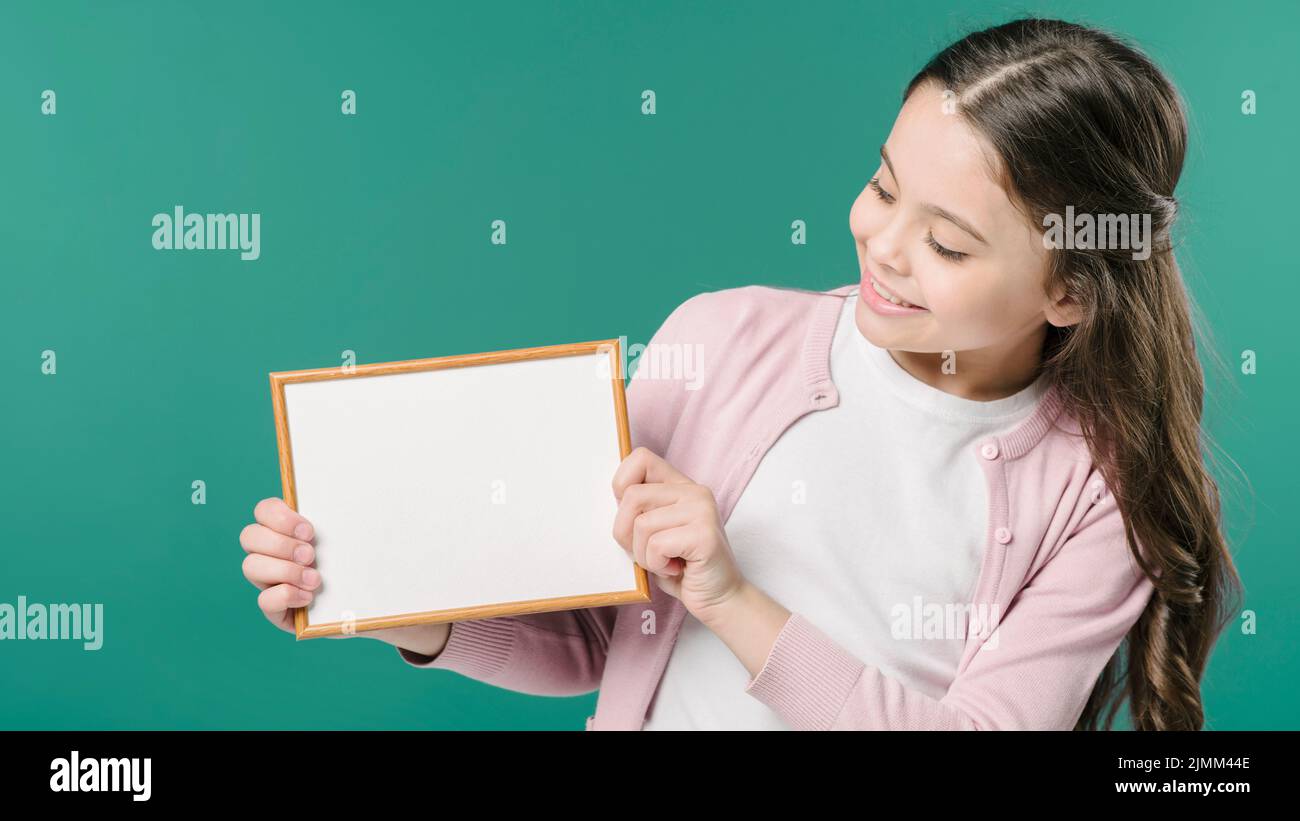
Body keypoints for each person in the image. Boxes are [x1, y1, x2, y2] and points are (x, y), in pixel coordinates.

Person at [240, 17, 1242, 730]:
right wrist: (418, 609)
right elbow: (598, 639)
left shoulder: (1096, 492)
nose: (882, 245)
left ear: (1068, 289)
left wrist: (731, 596)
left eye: (945, 240)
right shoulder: (717, 343)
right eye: (882, 186)